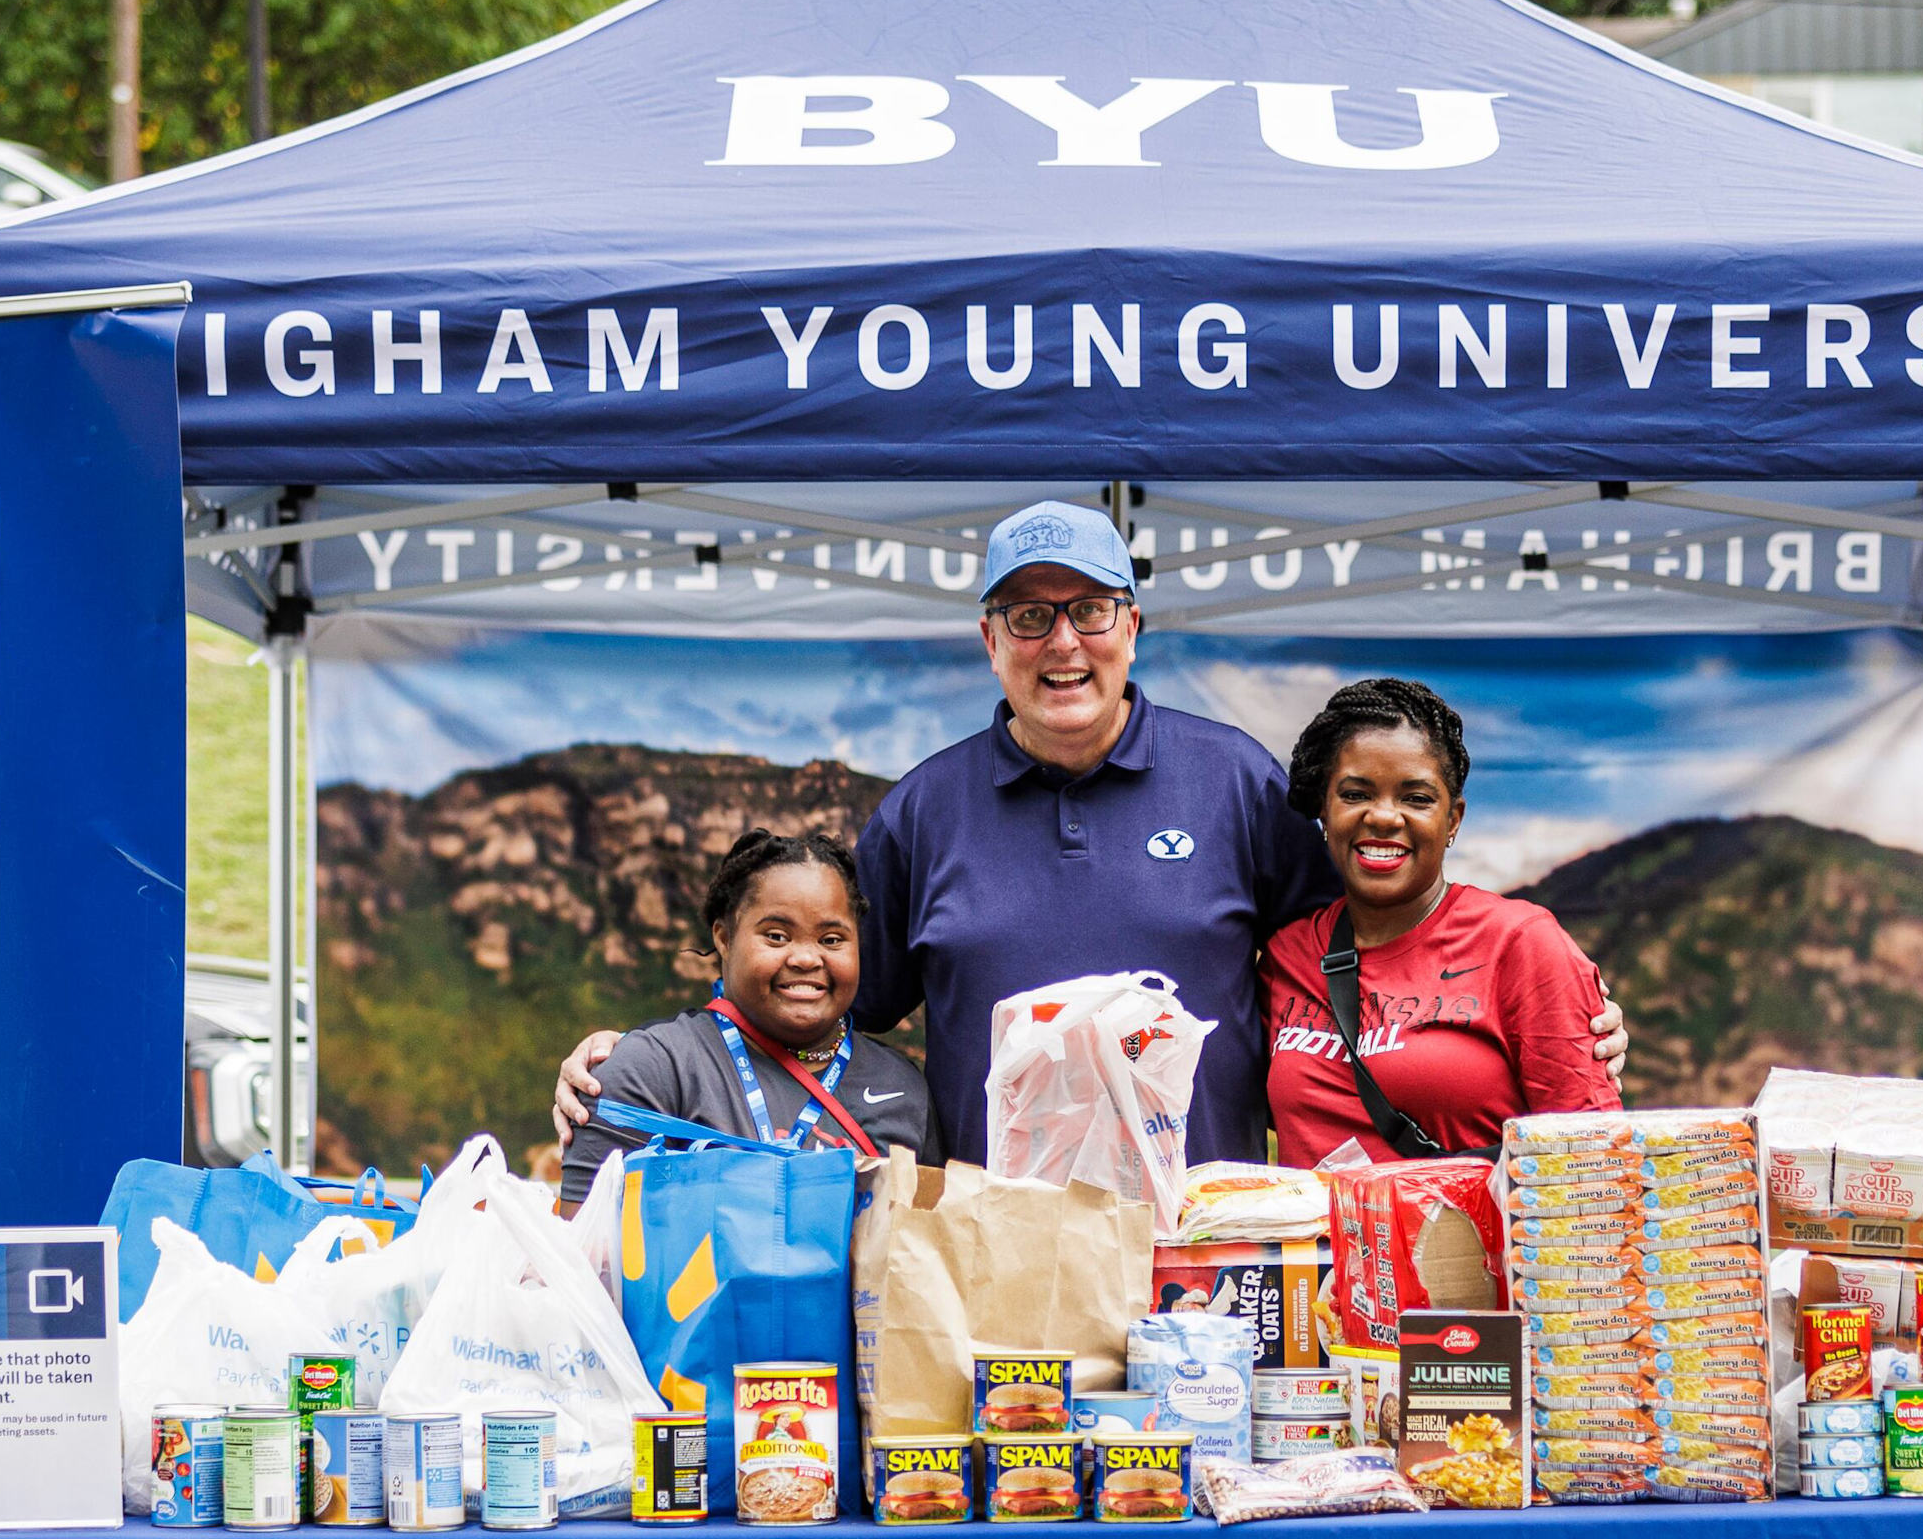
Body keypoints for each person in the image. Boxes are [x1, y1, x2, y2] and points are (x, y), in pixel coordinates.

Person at [554, 497, 1622, 1164]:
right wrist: (644, 1060)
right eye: (1028, 615)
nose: (1060, 641)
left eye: (1089, 610)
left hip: (1204, 1247)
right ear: (988, 641)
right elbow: (816, 1005)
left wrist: (1559, 1016)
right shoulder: (924, 811)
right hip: (992, 1245)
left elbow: (1360, 956)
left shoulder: (1234, 783)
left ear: (1132, 628)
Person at [1258, 676, 1618, 1162]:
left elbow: (1595, 1159)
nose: (1384, 817)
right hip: (1315, 1239)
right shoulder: (1289, 955)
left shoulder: (1519, 943)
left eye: (1417, 798)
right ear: (1324, 810)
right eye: (1355, 793)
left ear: (1453, 820)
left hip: (1472, 1239)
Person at [555, 828, 931, 1208]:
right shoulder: (653, 1071)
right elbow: (585, 1259)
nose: (805, 958)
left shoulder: (903, 1087)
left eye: (831, 939)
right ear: (724, 937)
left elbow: (934, 1250)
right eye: (777, 936)